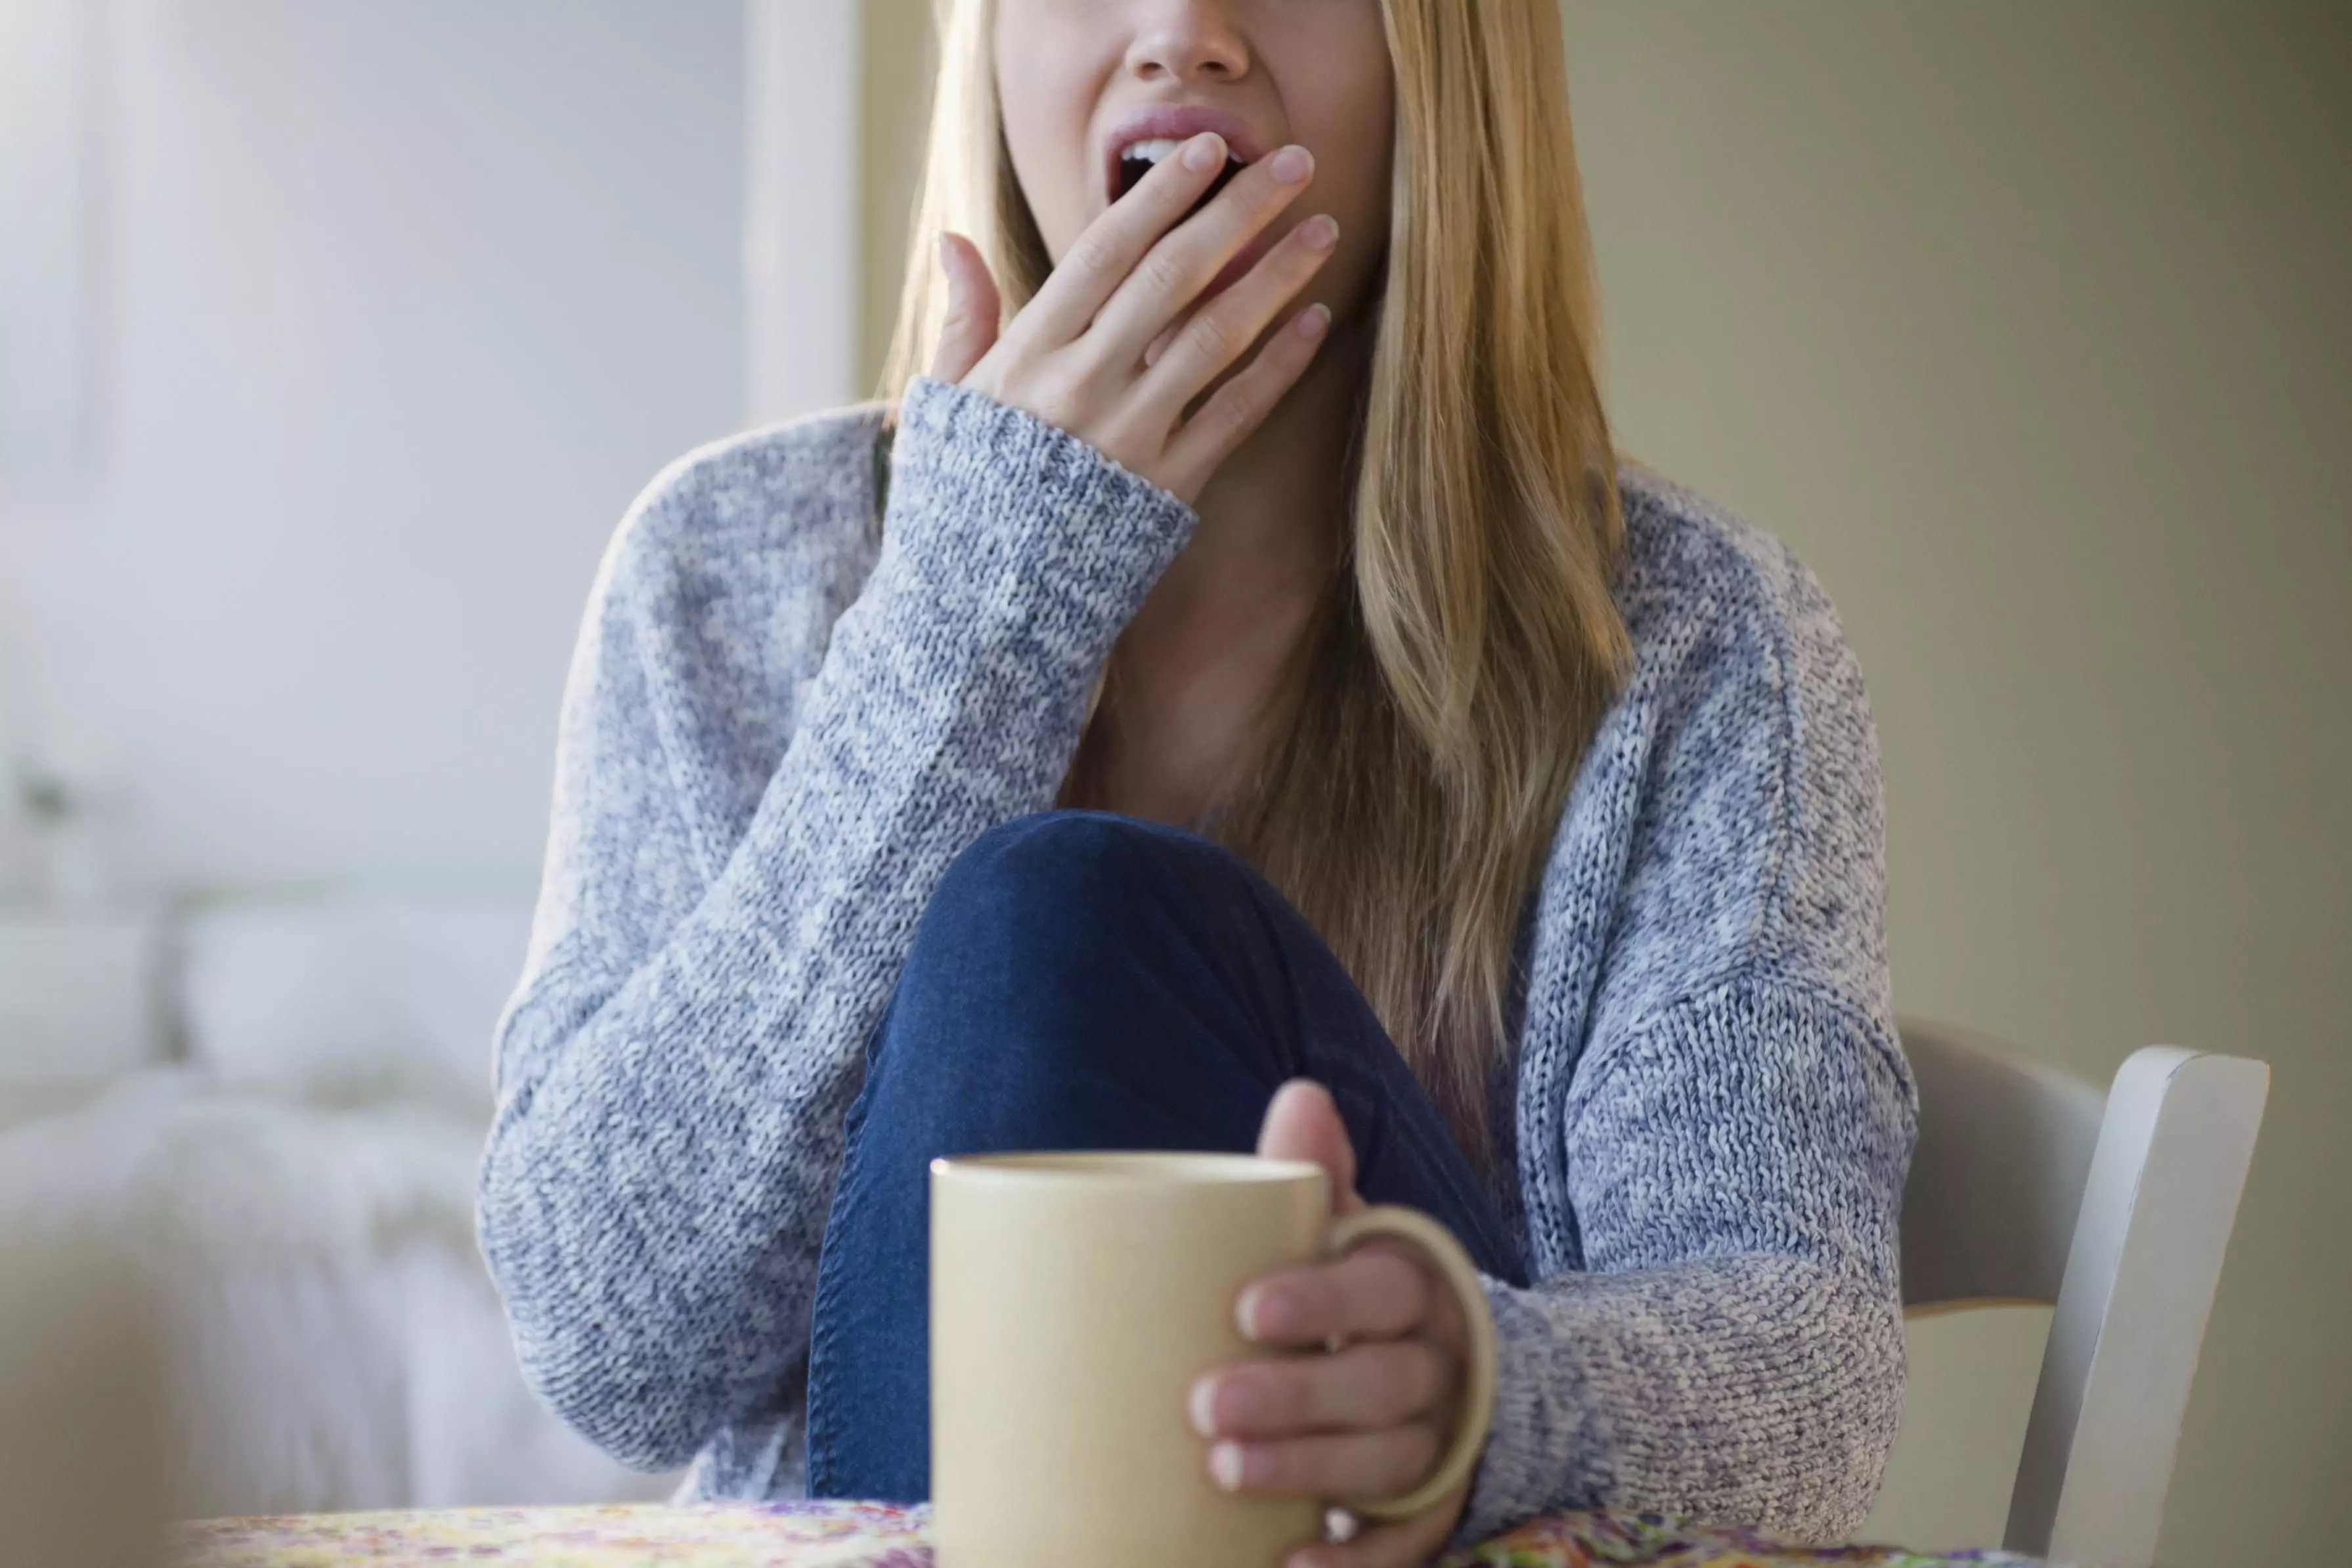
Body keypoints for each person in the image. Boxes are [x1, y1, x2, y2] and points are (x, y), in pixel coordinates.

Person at [477, 2, 1918, 1564]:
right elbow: (608, 1343)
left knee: (1063, 919)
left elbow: (1811, 1376)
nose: (1183, 29)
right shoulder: (722, 568)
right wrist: (981, 605)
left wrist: (1483, 1389)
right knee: (1053, 917)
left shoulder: (1689, 643)